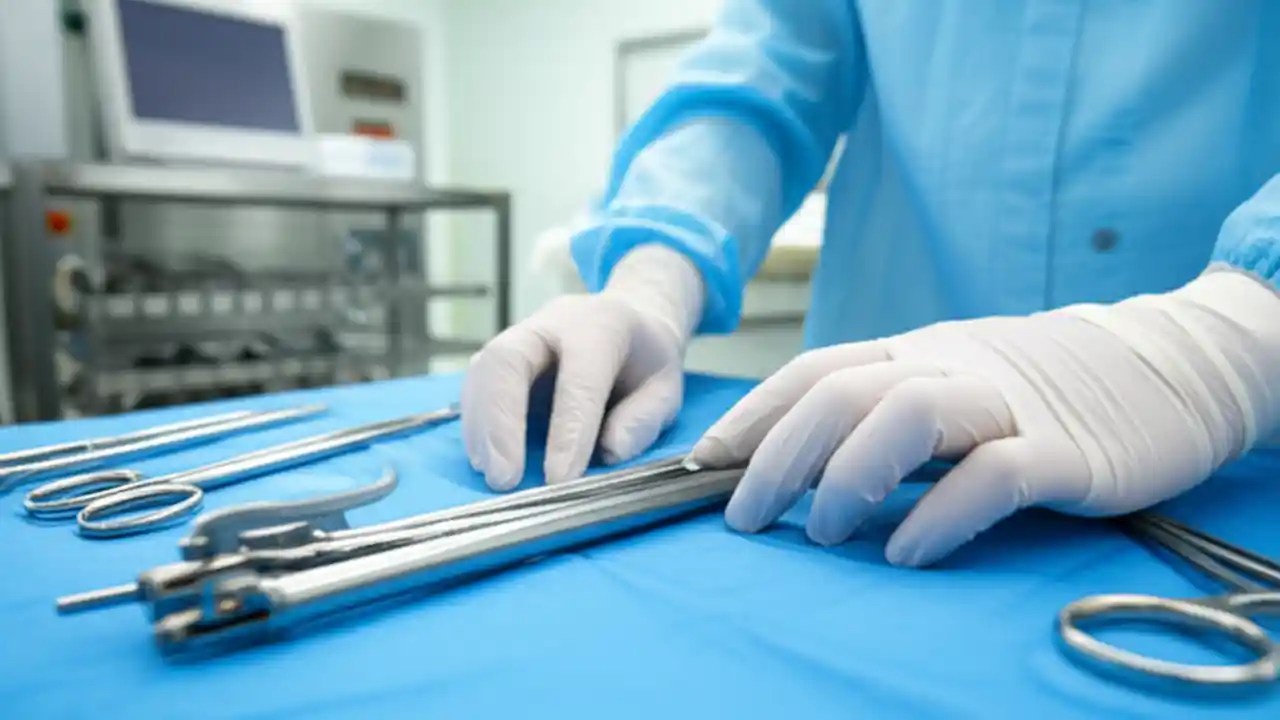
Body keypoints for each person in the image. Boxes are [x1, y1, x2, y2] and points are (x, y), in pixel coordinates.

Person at [461, 1, 1280, 566]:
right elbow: (765, 78)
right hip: (858, 473)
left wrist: (1229, 342)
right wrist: (651, 275)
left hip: (1228, 466)